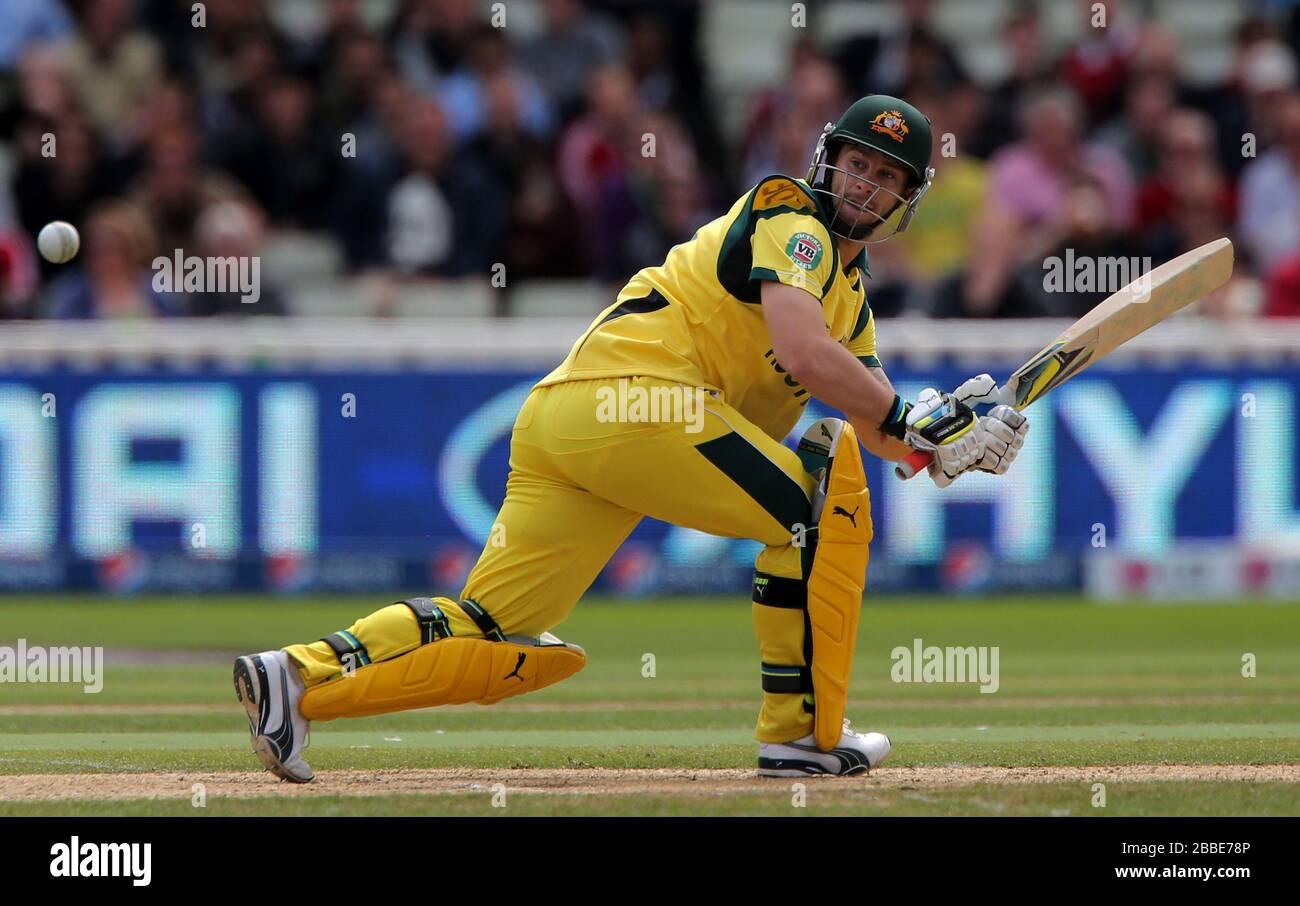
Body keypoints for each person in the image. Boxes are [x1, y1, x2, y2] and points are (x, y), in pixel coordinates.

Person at [233, 95, 1030, 782]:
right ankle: (801, 736)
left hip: (567, 423)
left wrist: (947, 440)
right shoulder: (793, 214)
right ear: (828, 161)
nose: (867, 183)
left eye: (888, 176)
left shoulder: (849, 305)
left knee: (500, 636)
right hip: (644, 404)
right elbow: (804, 355)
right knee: (815, 508)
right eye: (859, 162)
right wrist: (904, 419)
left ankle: (296, 680)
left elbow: (873, 420)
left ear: (909, 199)